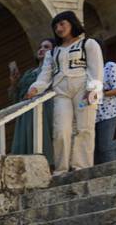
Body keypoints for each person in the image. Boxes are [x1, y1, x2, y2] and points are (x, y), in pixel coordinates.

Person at [26, 11, 104, 175]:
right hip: (61, 93)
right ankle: (61, 168)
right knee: (61, 130)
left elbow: (96, 69)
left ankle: (82, 166)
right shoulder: (53, 53)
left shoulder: (88, 44)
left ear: (72, 23)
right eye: (56, 26)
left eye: (62, 24)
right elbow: (45, 76)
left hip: (84, 90)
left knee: (85, 128)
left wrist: (93, 90)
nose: (59, 28)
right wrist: (35, 88)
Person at [10, 39, 55, 165]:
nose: (41, 49)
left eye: (46, 47)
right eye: (40, 47)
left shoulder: (52, 69)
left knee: (41, 136)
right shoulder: (29, 72)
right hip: (25, 110)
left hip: (43, 108)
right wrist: (14, 82)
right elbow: (16, 96)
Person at [95, 57, 116, 165]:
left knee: (105, 147)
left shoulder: (109, 66)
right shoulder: (86, 71)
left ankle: (112, 173)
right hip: (91, 116)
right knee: (94, 151)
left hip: (108, 113)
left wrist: (101, 94)